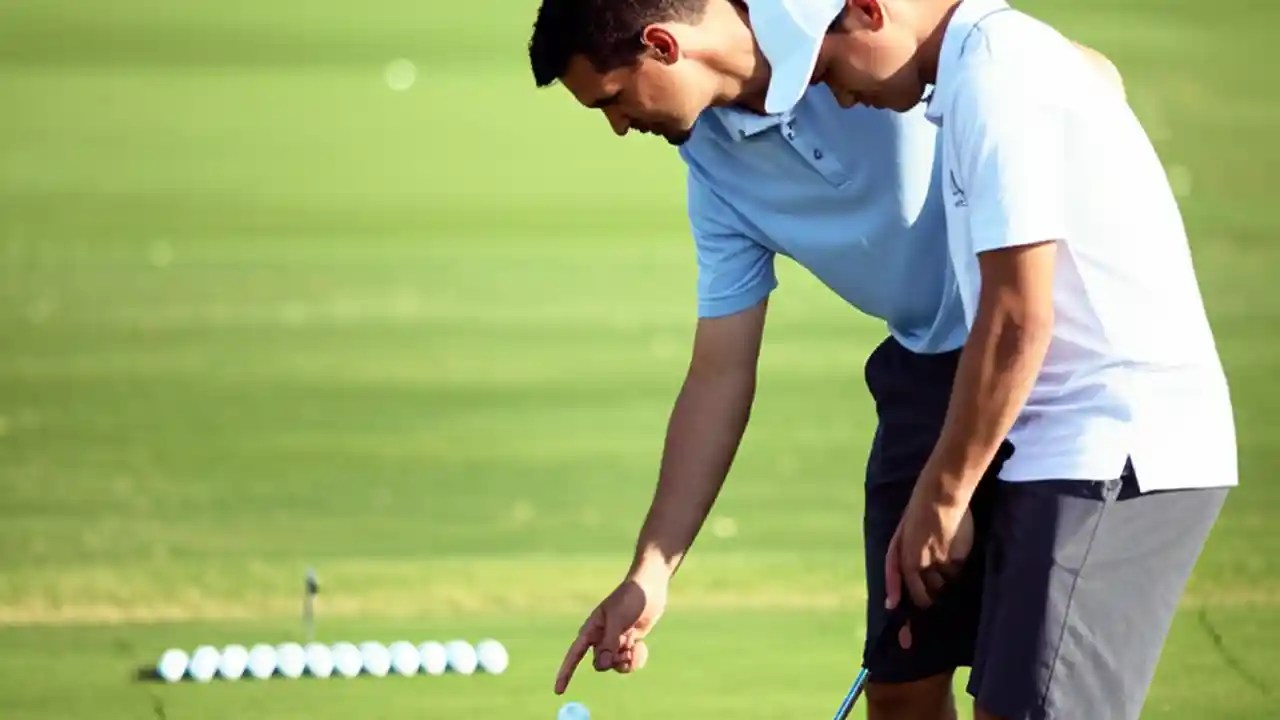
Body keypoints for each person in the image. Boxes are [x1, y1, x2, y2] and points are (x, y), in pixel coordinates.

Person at [527, 2, 1120, 718]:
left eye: (613, 100)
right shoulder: (711, 168)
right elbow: (719, 371)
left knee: (1021, 693)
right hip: (925, 375)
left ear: (660, 44)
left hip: (1055, 357)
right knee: (899, 690)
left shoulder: (855, 33)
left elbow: (1077, 74)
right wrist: (652, 571)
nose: (618, 126)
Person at [749, 0, 1238, 718]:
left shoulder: (999, 73)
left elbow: (1017, 316)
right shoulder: (979, 71)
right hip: (1065, 444)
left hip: (1115, 442)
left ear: (865, 10)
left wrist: (943, 495)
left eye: (827, 69)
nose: (840, 96)